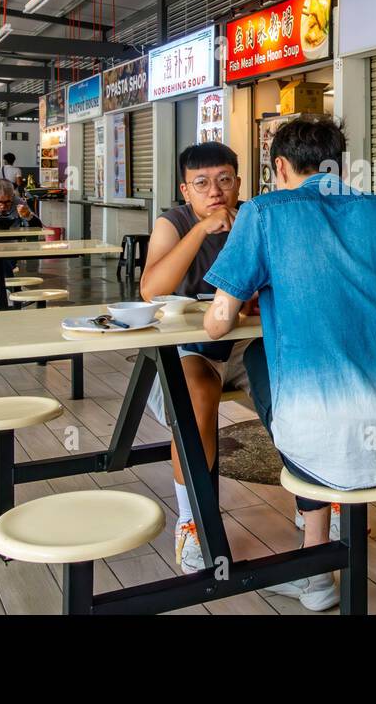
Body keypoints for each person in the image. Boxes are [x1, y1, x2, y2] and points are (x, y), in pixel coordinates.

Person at [203, 117, 376, 612]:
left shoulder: (263, 211)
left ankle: (316, 567)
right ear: (337, 164)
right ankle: (329, 539)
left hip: (323, 441)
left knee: (262, 358)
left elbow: (218, 322)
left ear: (278, 166)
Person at [138, 142, 273, 574]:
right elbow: (151, 290)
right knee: (196, 393)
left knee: (299, 379)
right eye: (202, 183)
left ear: (238, 182)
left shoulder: (254, 217)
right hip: (193, 348)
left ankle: (317, 499)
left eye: (225, 180)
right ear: (185, 190)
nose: (215, 190)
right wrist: (201, 230)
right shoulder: (172, 222)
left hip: (246, 344)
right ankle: (192, 522)